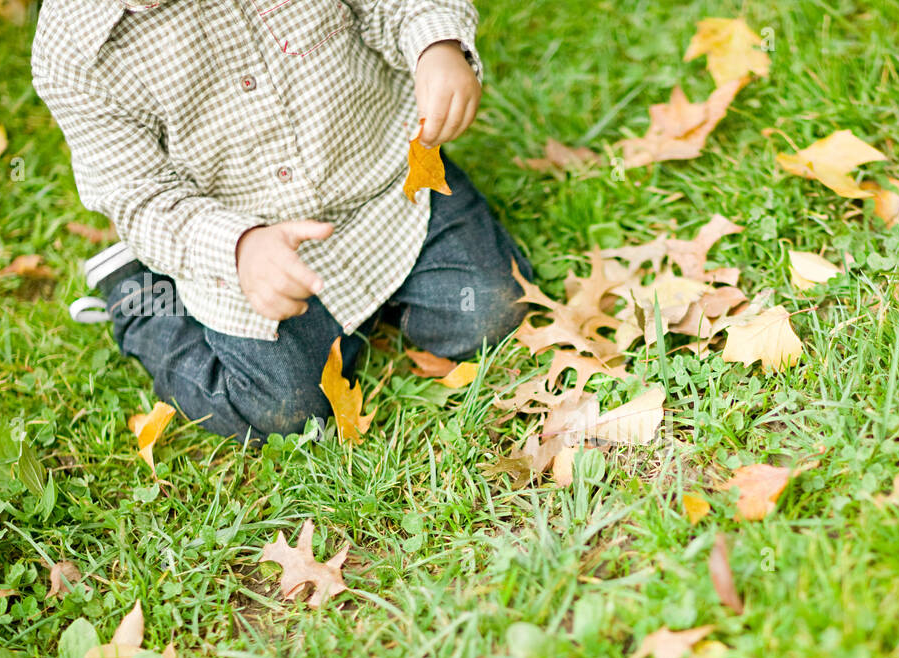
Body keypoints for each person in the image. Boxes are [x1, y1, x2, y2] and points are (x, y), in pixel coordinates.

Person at [32, 0, 530, 442]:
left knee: (493, 310)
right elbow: (140, 195)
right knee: (284, 410)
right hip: (244, 258)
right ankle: (139, 295)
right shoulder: (74, 49)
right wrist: (239, 247)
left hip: (387, 192)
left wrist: (436, 45)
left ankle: (384, 300)